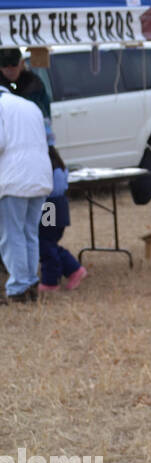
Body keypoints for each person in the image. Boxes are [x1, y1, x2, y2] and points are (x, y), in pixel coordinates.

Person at [0, 84, 53, 303]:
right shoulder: (30, 105)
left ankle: (18, 287)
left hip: (13, 179)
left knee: (12, 235)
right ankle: (30, 282)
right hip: (39, 175)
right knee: (30, 232)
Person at [38, 144, 87, 291]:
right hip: (60, 207)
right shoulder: (60, 168)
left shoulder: (50, 170)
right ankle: (74, 270)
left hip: (50, 207)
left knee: (45, 244)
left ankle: (50, 282)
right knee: (50, 243)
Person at [0, 48, 52, 122]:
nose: (10, 68)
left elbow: (45, 115)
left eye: (14, 63)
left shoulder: (33, 83)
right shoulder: (1, 88)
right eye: (4, 64)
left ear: (21, 63)